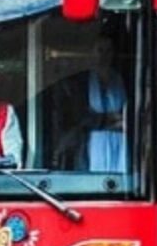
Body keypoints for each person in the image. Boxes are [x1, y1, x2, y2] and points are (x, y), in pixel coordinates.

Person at [51, 29, 128, 173]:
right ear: (92, 53)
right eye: (100, 50)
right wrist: (111, 120)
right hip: (89, 147)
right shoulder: (79, 82)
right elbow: (79, 118)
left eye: (108, 50)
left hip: (119, 144)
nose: (104, 55)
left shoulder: (120, 80)